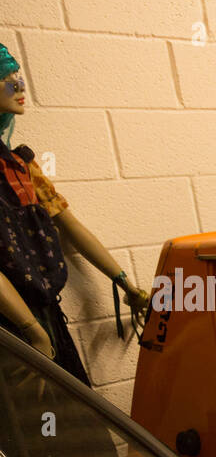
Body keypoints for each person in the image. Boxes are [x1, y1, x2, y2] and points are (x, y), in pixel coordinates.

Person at [0, 43, 149, 386]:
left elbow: (69, 223)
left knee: (78, 421)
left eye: (18, 77)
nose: (19, 86)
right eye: (6, 79)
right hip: (12, 328)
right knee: (36, 429)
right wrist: (31, 332)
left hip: (45, 318)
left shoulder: (21, 165)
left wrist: (126, 284)